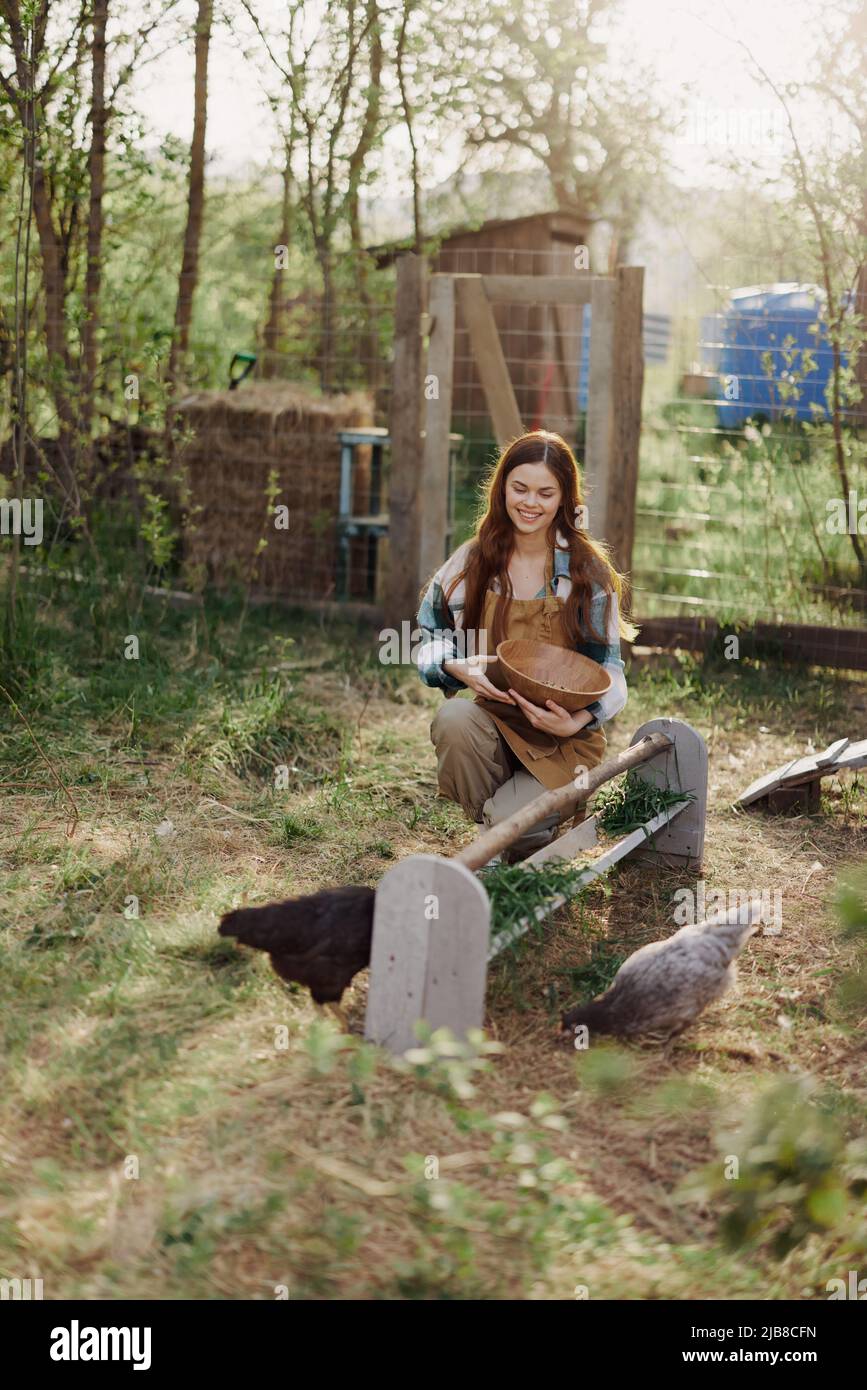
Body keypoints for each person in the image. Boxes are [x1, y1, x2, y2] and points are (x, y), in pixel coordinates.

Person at [416, 429, 636, 863]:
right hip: (494, 722)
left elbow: (611, 672)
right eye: (519, 488)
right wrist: (453, 667)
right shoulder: (471, 563)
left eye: (545, 492)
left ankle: (522, 827)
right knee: (454, 718)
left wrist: (578, 720)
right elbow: (429, 637)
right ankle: (511, 831)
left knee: (508, 826)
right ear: (502, 490)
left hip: (563, 740)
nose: (530, 503)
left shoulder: (587, 573)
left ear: (564, 499)